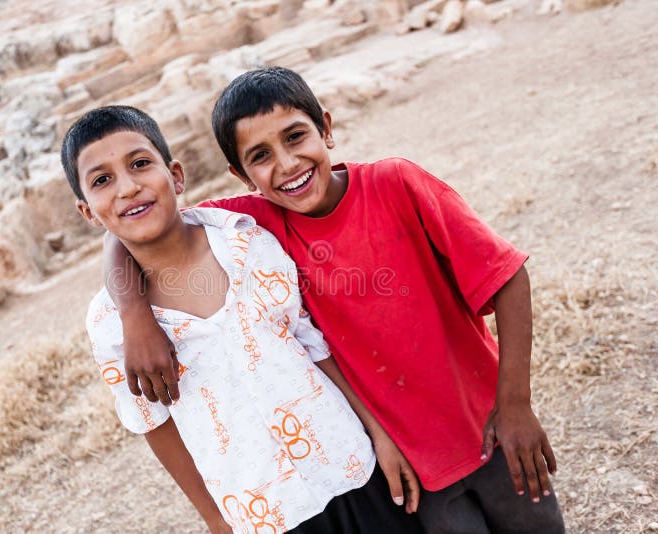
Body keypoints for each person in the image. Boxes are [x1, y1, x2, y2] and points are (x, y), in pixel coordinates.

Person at [103, 68, 566, 533]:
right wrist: (134, 315)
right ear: (242, 176)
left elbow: (507, 279)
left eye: (295, 136)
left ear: (326, 128)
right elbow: (137, 224)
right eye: (260, 156)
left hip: (493, 430)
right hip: (414, 468)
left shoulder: (396, 184)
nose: (286, 164)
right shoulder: (258, 224)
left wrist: (516, 405)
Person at [61, 105, 425, 533]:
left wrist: (377, 434)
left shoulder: (245, 238)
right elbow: (153, 423)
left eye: (140, 163)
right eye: (102, 180)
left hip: (349, 465)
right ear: (88, 212)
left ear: (176, 175)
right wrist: (216, 520)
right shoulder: (110, 323)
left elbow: (311, 342)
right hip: (265, 512)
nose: (128, 187)